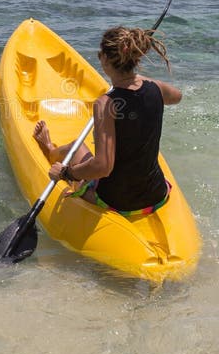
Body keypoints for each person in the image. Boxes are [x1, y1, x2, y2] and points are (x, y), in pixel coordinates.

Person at [33, 25, 182, 217]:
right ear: (134, 58)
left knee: (76, 148)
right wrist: (143, 81)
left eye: (100, 53)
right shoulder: (155, 88)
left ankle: (50, 151)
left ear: (105, 58)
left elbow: (103, 167)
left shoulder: (106, 104)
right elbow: (177, 97)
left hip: (117, 201)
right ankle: (53, 152)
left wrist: (66, 174)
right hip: (157, 194)